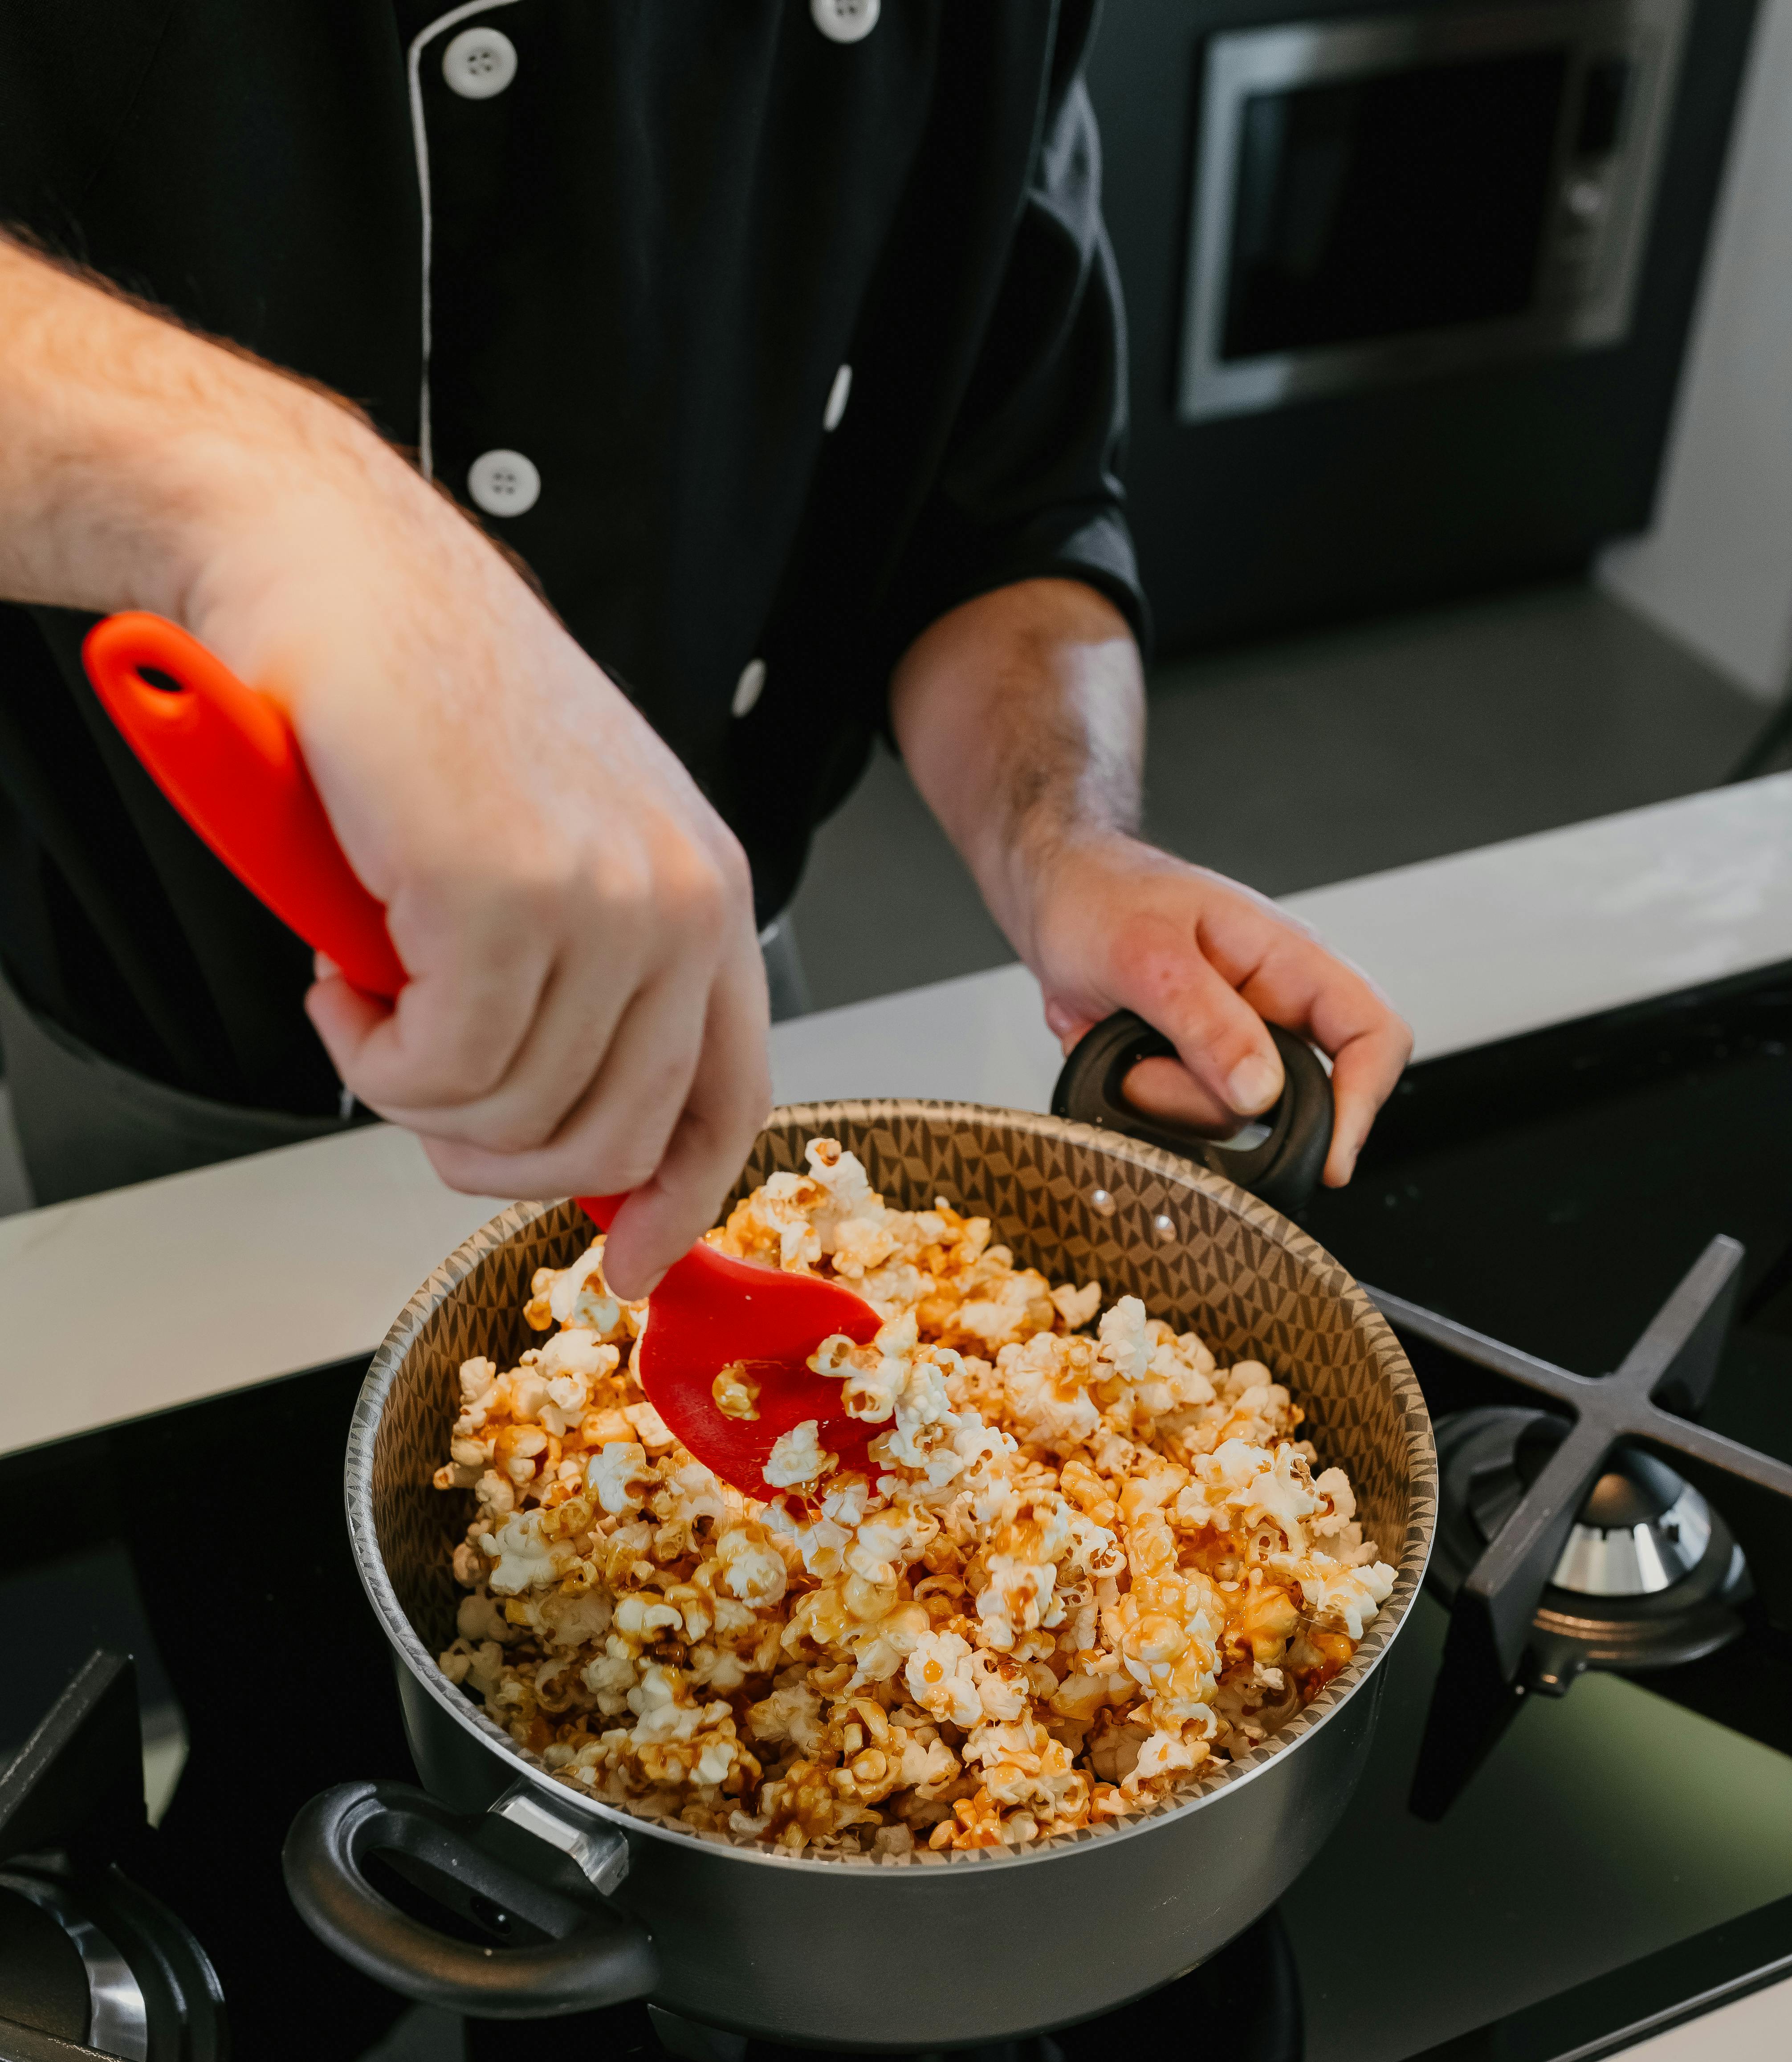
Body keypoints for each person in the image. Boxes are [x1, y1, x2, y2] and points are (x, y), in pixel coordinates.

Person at [0, 3, 1407, 1297]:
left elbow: (998, 492)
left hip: (707, 1016)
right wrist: (292, 502)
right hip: (160, 1054)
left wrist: (1062, 840)